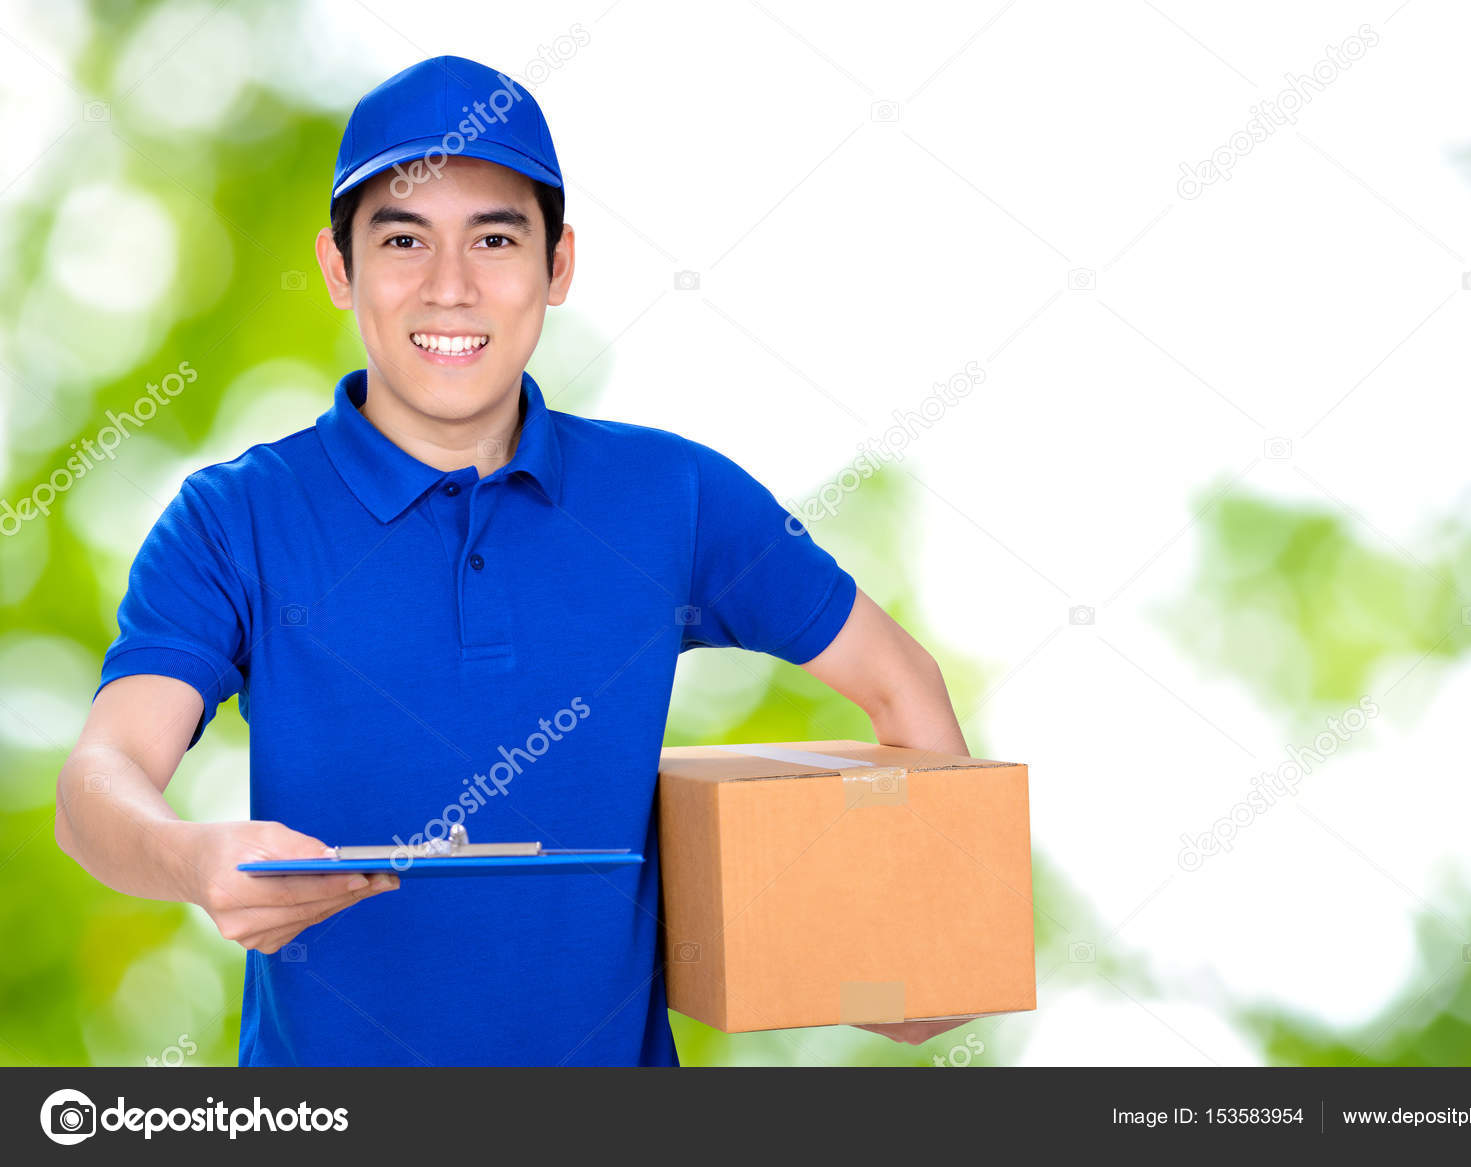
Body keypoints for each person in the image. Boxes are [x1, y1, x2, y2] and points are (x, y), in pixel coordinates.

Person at [53, 55, 971, 1066]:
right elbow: (101, 779)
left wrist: (935, 943)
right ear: (338, 267)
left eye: (495, 239)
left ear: (557, 264)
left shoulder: (674, 497)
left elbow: (900, 684)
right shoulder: (235, 519)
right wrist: (191, 859)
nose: (451, 288)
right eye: (404, 240)